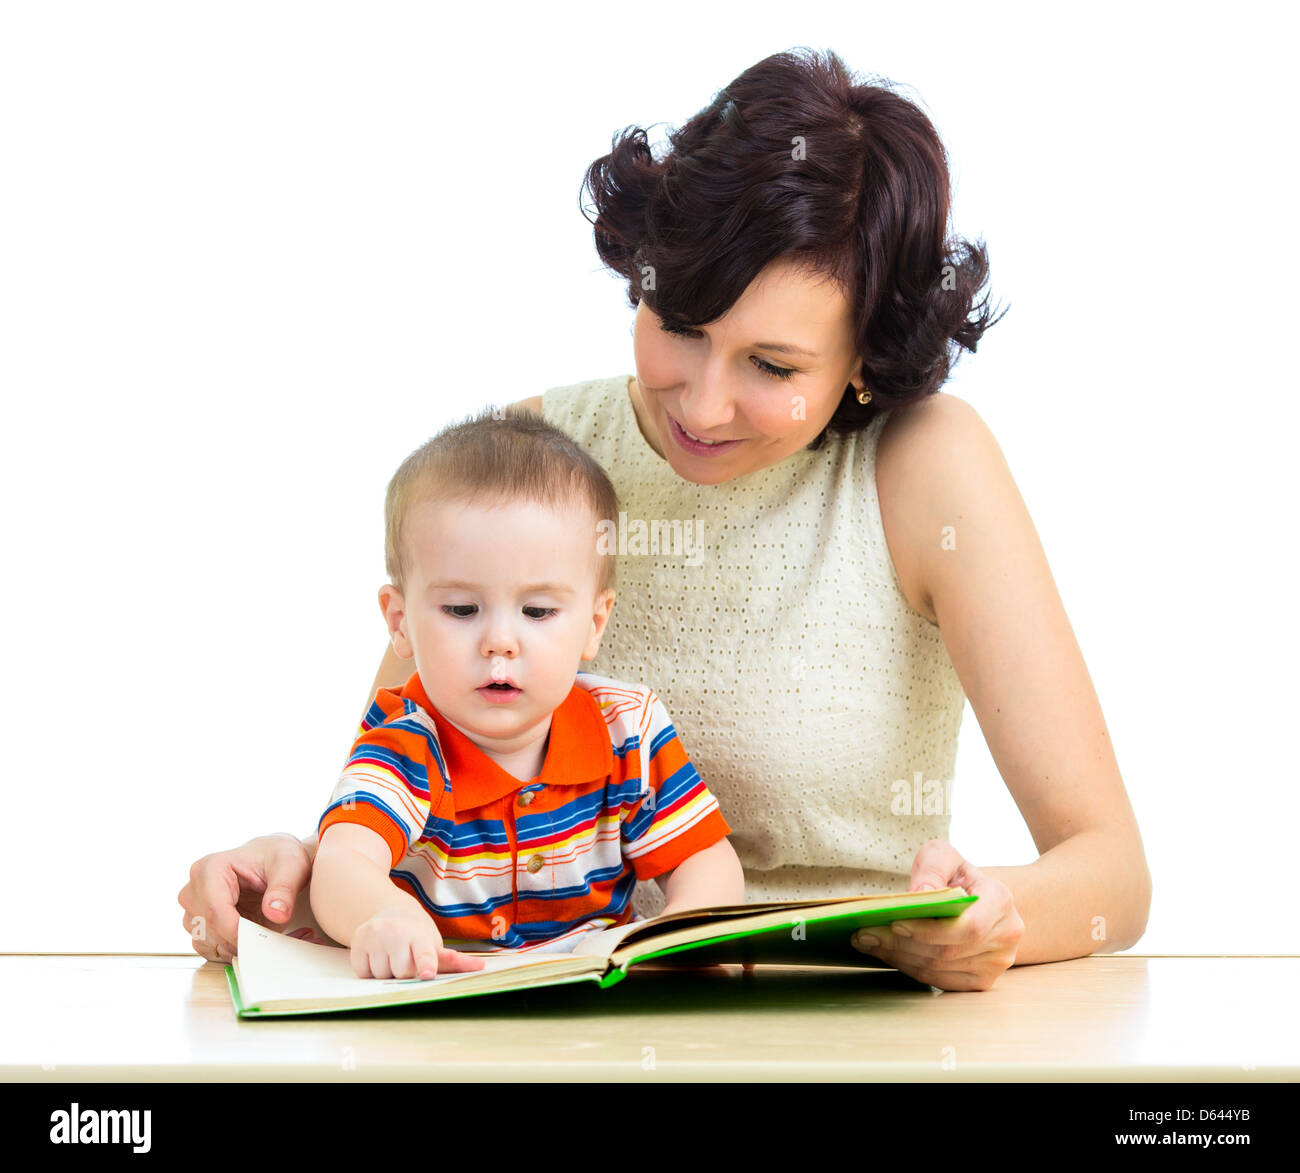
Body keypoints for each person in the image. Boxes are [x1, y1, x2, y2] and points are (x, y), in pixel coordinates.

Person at [180, 47, 1150, 991]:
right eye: (678, 325)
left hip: (845, 1021)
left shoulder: (921, 466)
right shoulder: (532, 459)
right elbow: (409, 796)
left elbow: (1111, 875)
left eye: (771, 367)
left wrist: (992, 916)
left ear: (866, 355)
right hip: (560, 1018)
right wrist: (295, 875)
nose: (701, 404)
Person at [307, 407, 744, 979]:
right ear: (400, 622)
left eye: (538, 611)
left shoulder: (627, 728)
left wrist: (687, 929)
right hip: (450, 1007)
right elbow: (343, 861)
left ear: (593, 622)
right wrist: (385, 914)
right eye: (462, 609)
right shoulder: (405, 742)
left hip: (600, 1008)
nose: (499, 642)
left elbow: (703, 858)